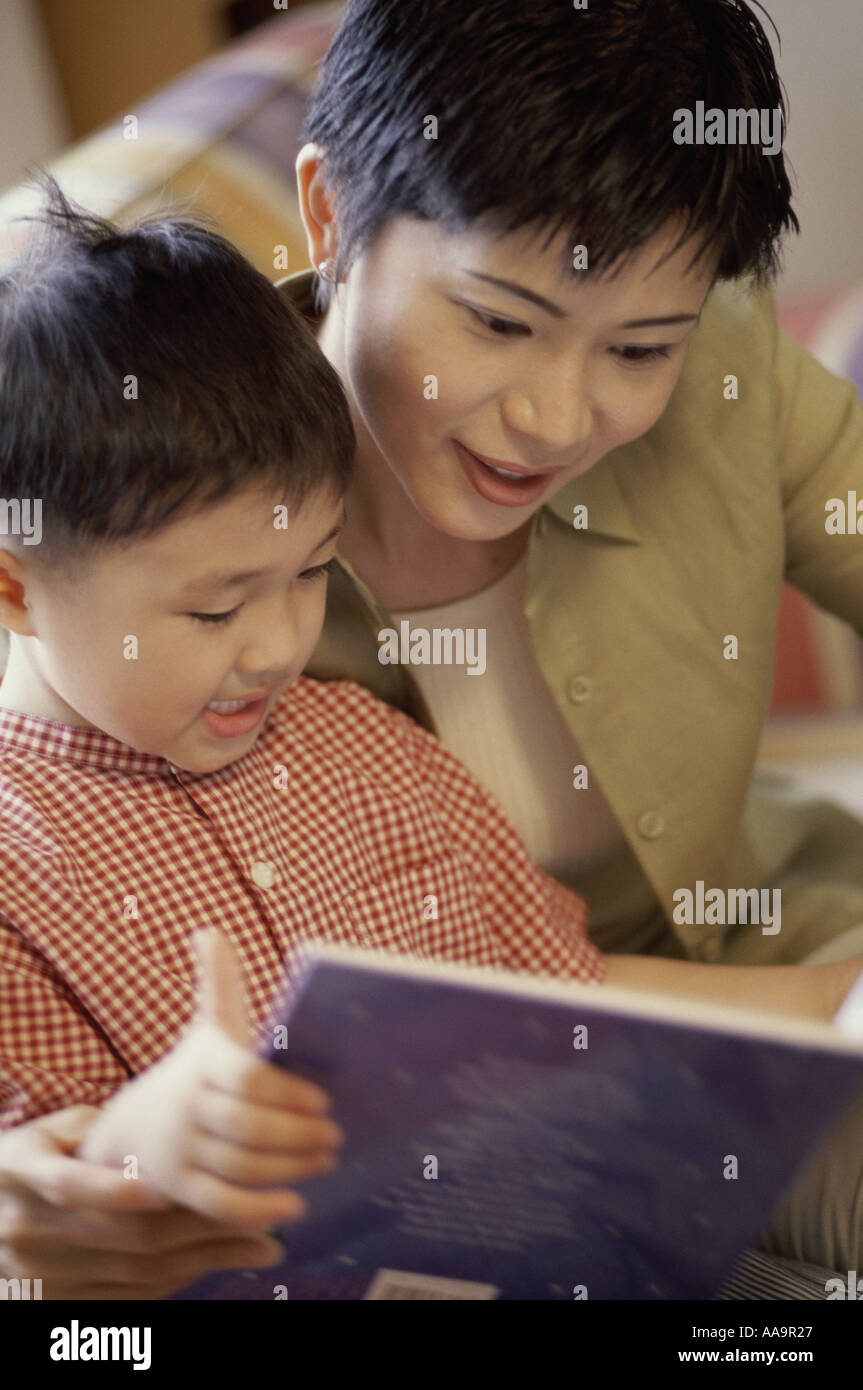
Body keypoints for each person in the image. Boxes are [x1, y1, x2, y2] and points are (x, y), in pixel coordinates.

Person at [0, 184, 858, 1297]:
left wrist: (836, 997)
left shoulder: (366, 744)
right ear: (15, 585)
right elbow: (43, 1221)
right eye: (216, 608)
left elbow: (576, 995)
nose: (276, 645)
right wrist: (136, 1152)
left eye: (311, 572)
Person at [276, 0, 863, 974]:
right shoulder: (142, 479)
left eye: (637, 349)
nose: (554, 422)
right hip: (426, 1066)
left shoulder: (719, 368)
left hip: (767, 941)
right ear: (330, 214)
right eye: (499, 323)